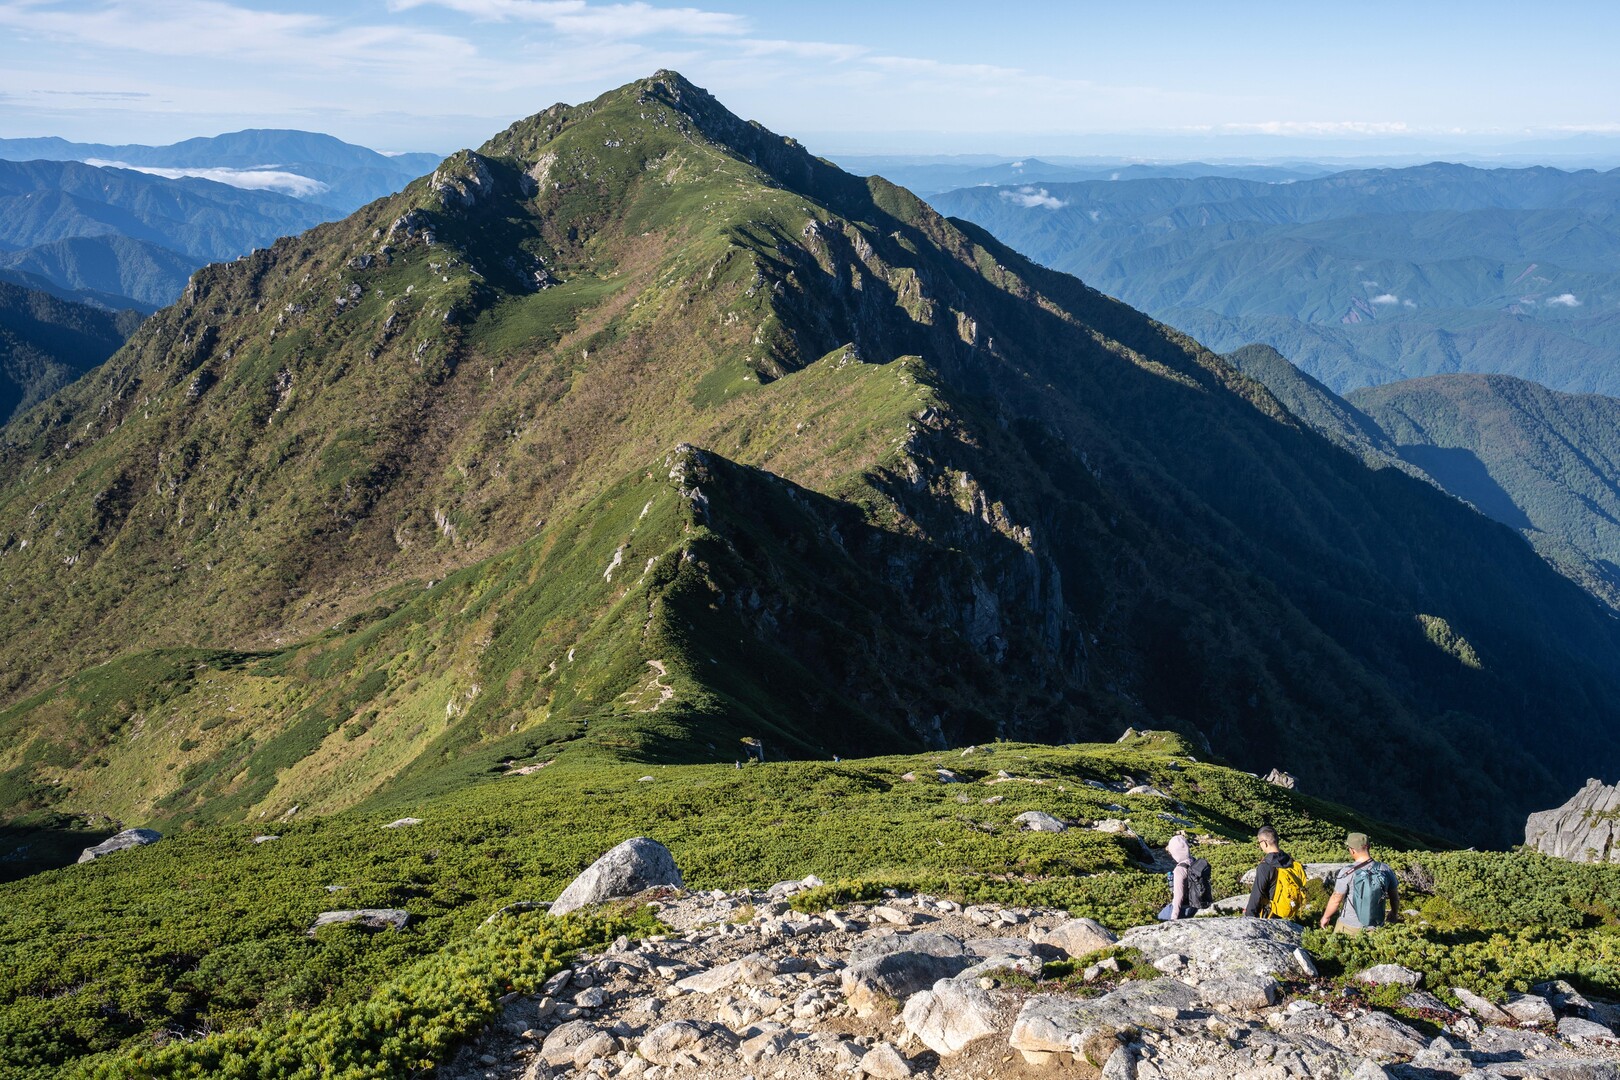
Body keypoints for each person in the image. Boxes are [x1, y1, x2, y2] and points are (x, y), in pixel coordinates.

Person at [1320, 832, 1399, 934]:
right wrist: (1394, 913)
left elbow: (1336, 899)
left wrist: (1326, 917)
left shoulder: (1347, 872)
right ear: (1369, 847)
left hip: (1348, 926)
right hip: (1375, 927)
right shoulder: (1385, 869)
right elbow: (1395, 897)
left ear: (1352, 850)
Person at [1243, 825, 1305, 918]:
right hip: (1289, 913)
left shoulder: (1265, 866)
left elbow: (1257, 894)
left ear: (1264, 843)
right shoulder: (1290, 860)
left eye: (1259, 843)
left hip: (1271, 914)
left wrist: (1249, 915)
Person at [1158, 834, 1194, 920]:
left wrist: (1174, 918)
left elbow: (1179, 896)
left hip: (1186, 908)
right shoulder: (1194, 861)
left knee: (1160, 917)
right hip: (1197, 904)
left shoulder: (1180, 870)